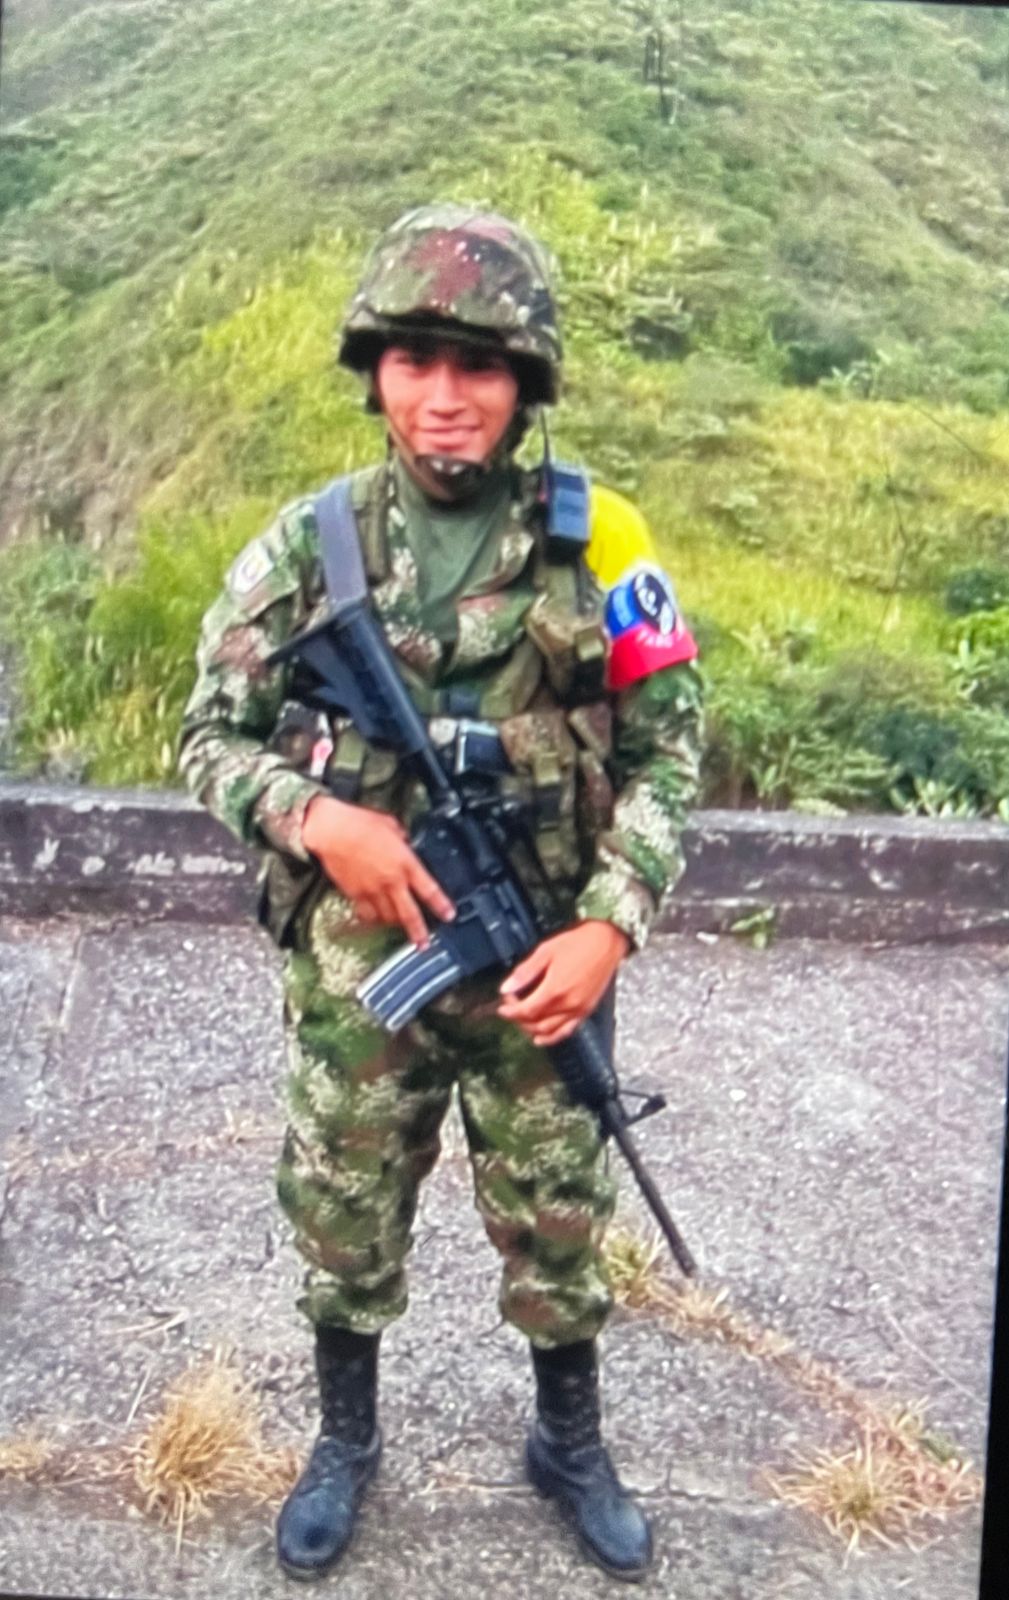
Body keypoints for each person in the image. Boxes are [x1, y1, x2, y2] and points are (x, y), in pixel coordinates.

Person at [178, 203, 704, 1583]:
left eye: (478, 365)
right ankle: (346, 1442)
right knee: (344, 1204)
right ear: (375, 375)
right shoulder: (309, 548)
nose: (445, 395)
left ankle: (566, 1443)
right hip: (363, 970)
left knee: (556, 1207)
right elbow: (205, 738)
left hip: (539, 958)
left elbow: (668, 746)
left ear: (526, 383)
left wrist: (608, 921)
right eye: (414, 360)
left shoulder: (604, 539)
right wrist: (319, 818)